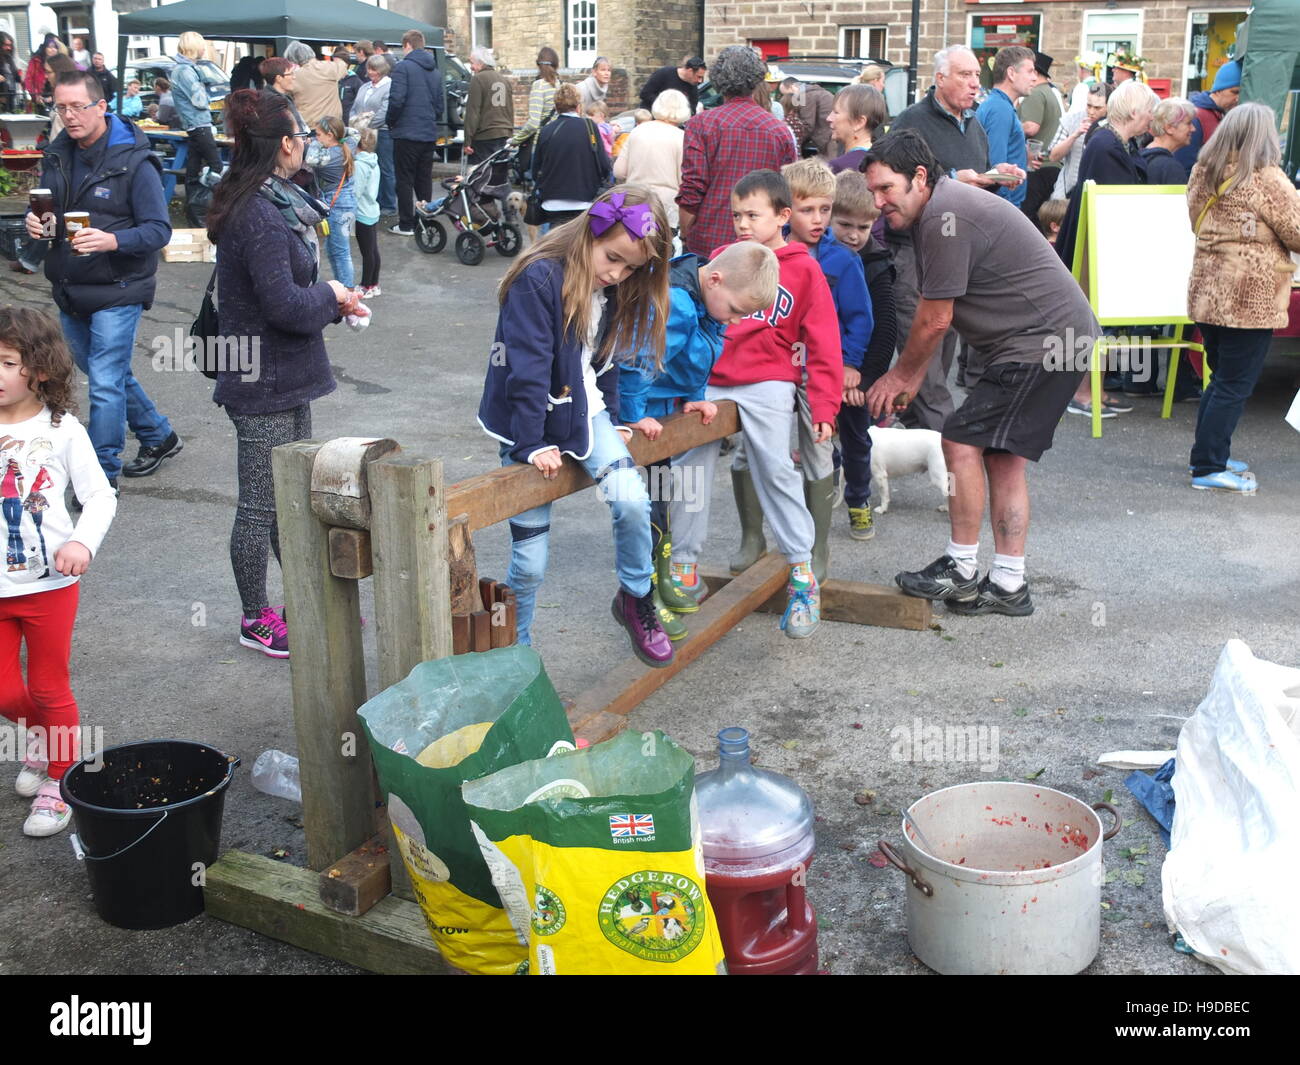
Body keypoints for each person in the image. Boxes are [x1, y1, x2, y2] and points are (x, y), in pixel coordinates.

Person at [863, 130, 1098, 618]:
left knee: (958, 441)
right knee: (1001, 458)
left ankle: (960, 568)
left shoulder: (945, 218)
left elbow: (934, 320)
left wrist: (900, 377)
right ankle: (1008, 583)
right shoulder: (944, 208)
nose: (878, 202)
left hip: (1041, 344)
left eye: (886, 188)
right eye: (873, 192)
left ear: (920, 178)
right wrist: (910, 374)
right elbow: (937, 319)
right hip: (1057, 341)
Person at [476, 185, 676, 664]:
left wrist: (617, 416)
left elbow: (602, 360)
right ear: (590, 230)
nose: (617, 273)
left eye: (630, 268)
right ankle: (517, 653)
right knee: (529, 564)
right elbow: (526, 370)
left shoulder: (613, 286)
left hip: (588, 418)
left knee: (631, 499)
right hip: (530, 426)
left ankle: (634, 595)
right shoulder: (539, 279)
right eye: (612, 259)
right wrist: (529, 443)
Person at [204, 89, 362, 658]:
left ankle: (299, 596)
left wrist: (336, 304)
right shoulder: (260, 214)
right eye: (298, 135)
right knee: (260, 505)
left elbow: (295, 301)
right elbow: (286, 306)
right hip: (260, 379)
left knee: (289, 499)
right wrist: (334, 292)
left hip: (285, 373)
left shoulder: (274, 198)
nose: (304, 144)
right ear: (283, 145)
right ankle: (255, 618)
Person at [670, 169, 841, 639]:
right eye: (736, 214)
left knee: (774, 468)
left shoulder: (803, 268)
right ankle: (683, 566)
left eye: (753, 214)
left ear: (783, 216)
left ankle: (802, 574)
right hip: (712, 379)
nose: (743, 223)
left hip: (768, 379)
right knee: (690, 464)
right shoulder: (725, 259)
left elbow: (824, 341)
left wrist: (824, 407)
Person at [24, 71, 180, 488]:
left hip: (120, 286)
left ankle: (101, 475)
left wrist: (112, 239)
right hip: (70, 286)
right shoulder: (57, 154)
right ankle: (158, 434)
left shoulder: (135, 160)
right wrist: (38, 225)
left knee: (105, 382)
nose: (69, 116)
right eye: (61, 108)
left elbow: (158, 231)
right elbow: (49, 210)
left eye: (78, 106)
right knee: (107, 373)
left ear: (101, 106)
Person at [617, 241, 780, 637]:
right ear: (716, 278)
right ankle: (643, 594)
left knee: (663, 496)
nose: (738, 321)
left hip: (664, 410)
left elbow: (697, 354)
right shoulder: (679, 303)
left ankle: (661, 577)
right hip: (643, 414)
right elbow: (640, 358)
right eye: (738, 311)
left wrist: (695, 398)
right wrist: (633, 416)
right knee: (645, 507)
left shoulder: (707, 301)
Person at [0, 306, 117, 838]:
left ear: (40, 370)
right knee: (5, 692)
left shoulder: (61, 428)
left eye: (6, 363)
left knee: (49, 687)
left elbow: (99, 497)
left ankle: (61, 778)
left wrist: (81, 542)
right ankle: (48, 739)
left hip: (49, 584)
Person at [885, 45, 1024, 432]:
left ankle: (913, 422)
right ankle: (943, 445)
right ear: (940, 79)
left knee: (943, 340)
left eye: (977, 75)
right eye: (964, 74)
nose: (974, 83)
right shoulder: (912, 122)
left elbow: (974, 182)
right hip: (914, 248)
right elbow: (894, 182)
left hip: (955, 249)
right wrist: (951, 178)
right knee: (924, 338)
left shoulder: (974, 124)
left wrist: (994, 176)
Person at [1186, 103, 1300, 493]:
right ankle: (1208, 466)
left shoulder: (1203, 171)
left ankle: (1210, 452)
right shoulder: (1267, 178)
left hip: (1206, 291)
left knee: (1220, 381)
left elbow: (1195, 225)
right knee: (1234, 384)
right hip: (1249, 298)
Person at [781, 158, 872, 579]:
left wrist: (850, 362)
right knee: (771, 456)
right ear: (785, 209)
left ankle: (818, 547)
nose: (819, 220)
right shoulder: (770, 252)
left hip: (819, 371)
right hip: (775, 370)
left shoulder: (844, 262)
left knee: (819, 452)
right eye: (808, 210)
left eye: (825, 210)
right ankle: (772, 540)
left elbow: (860, 318)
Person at [1056, 79, 1158, 414]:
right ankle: (1083, 394)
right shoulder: (1106, 144)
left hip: (1098, 246)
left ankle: (1093, 390)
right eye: (1148, 112)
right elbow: (1117, 202)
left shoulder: (1113, 141)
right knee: (1093, 321)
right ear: (1133, 111)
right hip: (1092, 249)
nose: (1151, 119)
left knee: (1099, 322)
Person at [677, 46, 797, 257]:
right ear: (757, 79)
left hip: (709, 240)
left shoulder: (701, 125)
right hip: (760, 244)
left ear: (718, 79)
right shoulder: (779, 131)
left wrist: (685, 234)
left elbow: (692, 189)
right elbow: (787, 191)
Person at [831, 169, 898, 539]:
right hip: (816, 369)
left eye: (863, 227)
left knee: (856, 439)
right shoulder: (816, 254)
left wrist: (866, 376)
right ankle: (818, 499)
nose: (854, 236)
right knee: (816, 440)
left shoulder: (875, 264)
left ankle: (859, 499)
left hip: (856, 373)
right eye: (845, 225)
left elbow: (885, 328)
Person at [387, 30, 444, 237]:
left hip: (406, 133)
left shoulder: (403, 68)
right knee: (423, 179)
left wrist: (391, 122)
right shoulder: (435, 71)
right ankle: (425, 219)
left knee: (404, 180)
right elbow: (439, 106)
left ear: (407, 45)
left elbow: (396, 100)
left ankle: (406, 224)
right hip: (428, 132)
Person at [534, 83, 611, 226]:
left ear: (556, 107)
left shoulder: (546, 131)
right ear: (578, 106)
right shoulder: (590, 127)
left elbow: (535, 170)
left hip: (552, 203)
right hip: (584, 200)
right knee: (581, 245)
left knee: (556, 244)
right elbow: (604, 165)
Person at [613, 88, 689, 232]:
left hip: (635, 200)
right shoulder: (682, 137)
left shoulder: (637, 131)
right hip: (665, 207)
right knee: (661, 249)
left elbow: (619, 171)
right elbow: (683, 180)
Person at [977, 46, 1034, 209]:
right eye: (1029, 71)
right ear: (1011, 73)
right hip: (1003, 206)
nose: (1034, 78)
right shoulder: (1000, 109)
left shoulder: (999, 105)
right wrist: (1005, 210)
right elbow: (996, 169)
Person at [172, 32, 225, 203]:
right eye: (202, 45)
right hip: (198, 123)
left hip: (193, 124)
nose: (204, 48)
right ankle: (217, 203)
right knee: (216, 165)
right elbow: (200, 101)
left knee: (193, 169)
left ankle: (195, 206)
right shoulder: (185, 71)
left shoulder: (183, 69)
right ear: (195, 47)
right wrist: (206, 89)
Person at [307, 116, 357, 293]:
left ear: (330, 135)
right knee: (334, 248)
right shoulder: (347, 146)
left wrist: (311, 141)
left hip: (338, 206)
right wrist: (342, 132)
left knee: (341, 252)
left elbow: (311, 159)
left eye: (319, 134)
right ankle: (342, 286)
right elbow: (355, 133)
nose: (316, 137)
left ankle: (347, 291)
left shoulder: (329, 156)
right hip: (347, 203)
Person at [1018, 52, 1067, 221]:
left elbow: (1031, 127)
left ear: (1036, 73)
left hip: (1038, 167)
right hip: (1052, 166)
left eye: (1030, 72)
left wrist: (1012, 125)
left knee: (1027, 217)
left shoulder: (1037, 94)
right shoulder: (1052, 93)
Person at [1174, 59, 1241, 176]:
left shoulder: (1220, 113)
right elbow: (1184, 163)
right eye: (1234, 92)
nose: (1237, 98)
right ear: (1218, 90)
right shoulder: (1197, 116)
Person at [352, 54, 396, 216]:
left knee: (385, 168)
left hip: (382, 133)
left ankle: (389, 204)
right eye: (369, 68)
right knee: (365, 167)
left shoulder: (390, 86)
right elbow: (354, 107)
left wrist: (364, 124)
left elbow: (385, 112)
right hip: (362, 133)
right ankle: (370, 201)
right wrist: (356, 123)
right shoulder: (365, 87)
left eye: (374, 69)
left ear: (382, 70)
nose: (370, 72)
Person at [1047, 84, 1109, 200]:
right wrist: (1075, 135)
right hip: (1067, 192)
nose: (1091, 111)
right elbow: (1053, 156)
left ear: (1108, 106)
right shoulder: (1070, 120)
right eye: (1089, 106)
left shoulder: (1114, 125)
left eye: (1097, 108)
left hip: (1100, 193)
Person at [510, 47, 560, 173]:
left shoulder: (539, 86)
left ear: (538, 64)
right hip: (557, 144)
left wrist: (516, 140)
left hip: (541, 146)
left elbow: (533, 124)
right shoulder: (561, 85)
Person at [463, 46, 514, 159]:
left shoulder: (478, 79)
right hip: (504, 134)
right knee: (500, 172)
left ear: (481, 63)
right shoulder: (504, 80)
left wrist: (467, 141)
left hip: (484, 136)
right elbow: (510, 109)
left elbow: (473, 112)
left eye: (472, 63)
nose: (471, 67)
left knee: (482, 174)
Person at [283, 40, 347, 125]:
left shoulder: (294, 76)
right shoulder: (330, 67)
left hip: (309, 126)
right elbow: (343, 66)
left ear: (293, 60)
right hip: (333, 125)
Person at [826, 83, 887, 173]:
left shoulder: (839, 167)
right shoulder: (885, 162)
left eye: (836, 112)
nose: (828, 118)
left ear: (859, 122)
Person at [352, 127, 382, 298]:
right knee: (373, 250)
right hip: (372, 209)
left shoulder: (359, 165)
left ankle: (366, 286)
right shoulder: (373, 161)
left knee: (367, 252)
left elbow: (356, 191)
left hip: (363, 212)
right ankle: (374, 283)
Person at [1141, 97, 1196, 184]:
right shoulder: (1170, 168)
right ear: (1169, 128)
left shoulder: (1141, 157)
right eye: (1188, 123)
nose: (1193, 129)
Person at [780, 76, 835, 156]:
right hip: (831, 136)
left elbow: (807, 125)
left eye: (787, 95)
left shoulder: (805, 95)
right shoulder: (814, 92)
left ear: (792, 87)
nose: (787, 99)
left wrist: (793, 141)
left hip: (829, 140)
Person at [640, 56, 706, 115]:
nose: (700, 81)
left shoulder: (693, 86)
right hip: (651, 119)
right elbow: (645, 94)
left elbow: (692, 109)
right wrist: (666, 104)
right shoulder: (664, 73)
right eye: (698, 77)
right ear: (690, 71)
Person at [260, 57, 308, 133]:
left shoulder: (281, 97)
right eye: (291, 74)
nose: (294, 77)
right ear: (279, 78)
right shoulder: (273, 102)